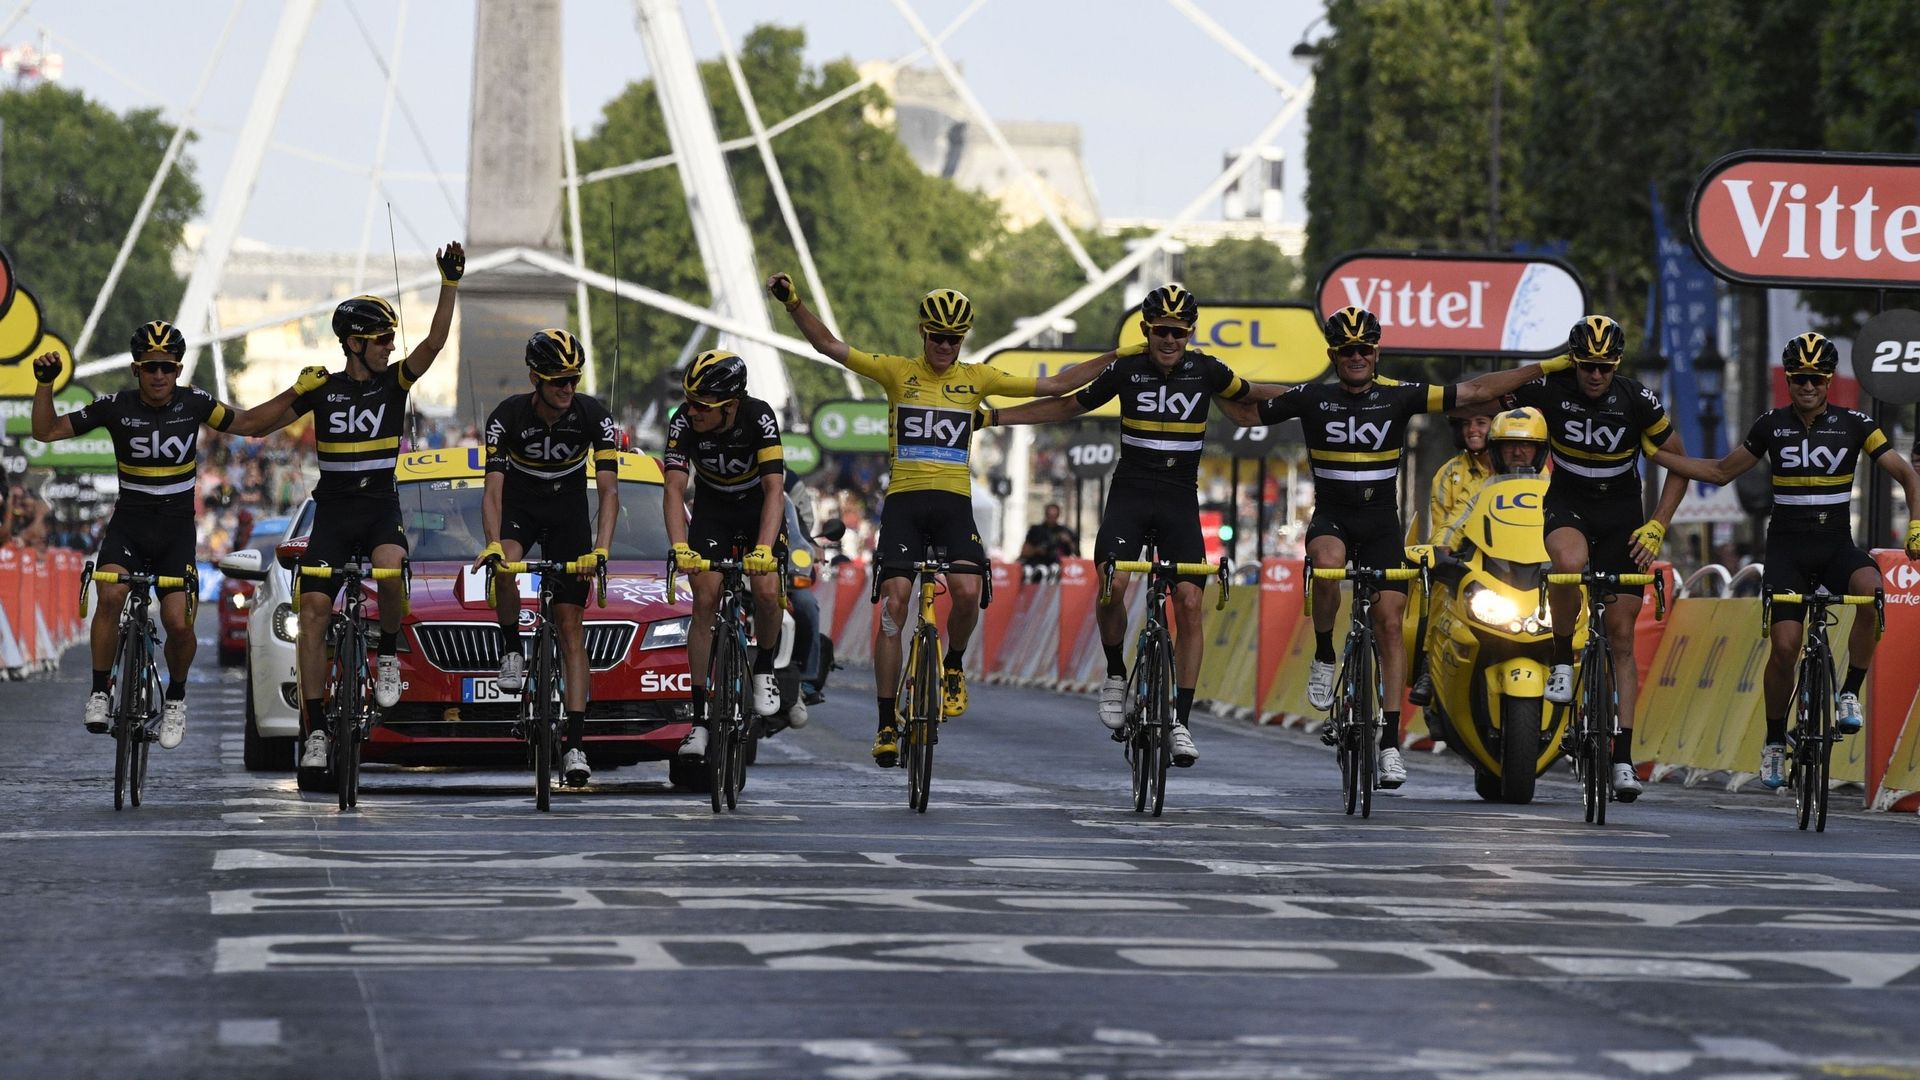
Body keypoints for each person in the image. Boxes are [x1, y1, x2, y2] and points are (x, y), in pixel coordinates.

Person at [1218, 306, 1567, 790]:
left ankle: (1388, 744)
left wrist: (1547, 366)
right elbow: (1243, 408)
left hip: (1381, 523)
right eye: (1347, 350)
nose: (1356, 357)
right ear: (1334, 355)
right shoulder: (1314, 397)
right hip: (1333, 518)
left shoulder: (1400, 395)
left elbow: (1474, 391)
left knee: (1390, 621)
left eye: (1364, 349)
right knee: (1327, 564)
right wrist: (1205, 378)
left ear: (1376, 352)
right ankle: (1325, 654)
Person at [772, 271, 1109, 767]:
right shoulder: (896, 372)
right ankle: (886, 723)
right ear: (922, 333)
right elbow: (828, 346)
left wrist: (1120, 355)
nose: (945, 347)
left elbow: (1059, 386)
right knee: (895, 607)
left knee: (968, 592)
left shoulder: (978, 378)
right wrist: (794, 302)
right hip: (904, 506)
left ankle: (952, 666)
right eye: (937, 337)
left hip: (954, 506)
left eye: (954, 339)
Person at [983, 284, 1250, 766]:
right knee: (1114, 582)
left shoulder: (1207, 370)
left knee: (1190, 603)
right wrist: (995, 417)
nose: (1169, 339)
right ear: (1146, 330)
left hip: (1179, 500)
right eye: (1161, 331)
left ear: (1190, 333)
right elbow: (1066, 405)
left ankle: (1181, 721)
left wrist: (1315, 398)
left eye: (1178, 332)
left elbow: (1252, 399)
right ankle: (1113, 674)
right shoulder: (1126, 369)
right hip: (1130, 495)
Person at [1651, 332, 1920, 788]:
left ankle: (1849, 692)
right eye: (1799, 379)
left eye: (1816, 378)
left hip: (1836, 547)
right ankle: (1775, 740)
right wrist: (1652, 453)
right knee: (1784, 649)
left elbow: (1906, 474)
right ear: (1789, 381)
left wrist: (1915, 524)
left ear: (1829, 380)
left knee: (1874, 594)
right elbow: (1720, 472)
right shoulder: (1770, 426)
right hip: (1786, 552)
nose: (1807, 386)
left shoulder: (1856, 424)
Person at [30, 323, 311, 748]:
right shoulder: (115, 406)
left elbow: (251, 422)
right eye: (150, 367)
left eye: (167, 367)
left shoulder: (195, 403)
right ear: (136, 370)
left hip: (175, 532)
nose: (159, 375)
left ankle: (176, 699)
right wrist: (44, 384)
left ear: (178, 370)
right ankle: (100, 691)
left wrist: (296, 391)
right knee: (110, 595)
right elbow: (46, 431)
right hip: (129, 526)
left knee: (178, 622)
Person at [252, 241, 464, 780]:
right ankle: (315, 731)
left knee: (391, 569)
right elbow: (257, 424)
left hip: (378, 507)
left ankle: (386, 653)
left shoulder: (395, 382)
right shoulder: (322, 389)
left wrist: (449, 284)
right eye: (382, 340)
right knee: (313, 612)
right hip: (334, 511)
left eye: (392, 339)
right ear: (354, 343)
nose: (391, 347)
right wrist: (209, 408)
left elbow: (435, 343)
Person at [1505, 314, 1689, 802]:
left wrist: (1658, 524)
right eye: (1586, 365)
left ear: (1617, 365)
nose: (1594, 375)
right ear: (1573, 360)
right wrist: (1544, 366)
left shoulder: (1637, 398)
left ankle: (1623, 757)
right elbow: (1483, 393)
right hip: (1568, 504)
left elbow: (1681, 464)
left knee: (1622, 637)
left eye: (1605, 367)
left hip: (1622, 514)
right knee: (1568, 564)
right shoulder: (1553, 387)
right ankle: (1561, 658)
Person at [473, 328, 619, 787]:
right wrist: (492, 542)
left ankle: (574, 744)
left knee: (571, 626)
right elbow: (492, 490)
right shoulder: (508, 416)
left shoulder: (593, 415)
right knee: (504, 564)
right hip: (521, 508)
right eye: (558, 380)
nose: (568, 388)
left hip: (568, 514)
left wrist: (601, 549)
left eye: (574, 378)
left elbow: (609, 492)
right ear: (535, 378)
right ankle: (511, 649)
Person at [661, 350, 787, 763]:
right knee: (704, 600)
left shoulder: (758, 416)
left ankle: (764, 666)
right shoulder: (684, 421)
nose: (692, 411)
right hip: (713, 510)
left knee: (766, 591)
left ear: (730, 405)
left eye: (702, 405)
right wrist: (679, 545)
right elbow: (674, 488)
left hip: (756, 509)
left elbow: (774, 489)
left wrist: (764, 549)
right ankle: (699, 719)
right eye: (689, 401)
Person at [1405, 411, 1495, 707]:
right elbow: (1444, 529)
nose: (1472, 429)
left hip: (1514, 563)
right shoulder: (1448, 473)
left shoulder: (1529, 471)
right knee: (1440, 585)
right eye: (1466, 423)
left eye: (1480, 422)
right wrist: (1440, 552)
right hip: (1466, 563)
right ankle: (1428, 666)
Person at [1019, 503, 1079, 570]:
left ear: (1058, 515)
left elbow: (1076, 553)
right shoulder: (1036, 530)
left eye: (1054, 516)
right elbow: (1024, 552)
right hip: (1037, 564)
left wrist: (1068, 541)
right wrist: (1037, 550)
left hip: (1059, 566)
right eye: (1049, 515)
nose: (1052, 518)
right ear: (1045, 514)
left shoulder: (1065, 531)